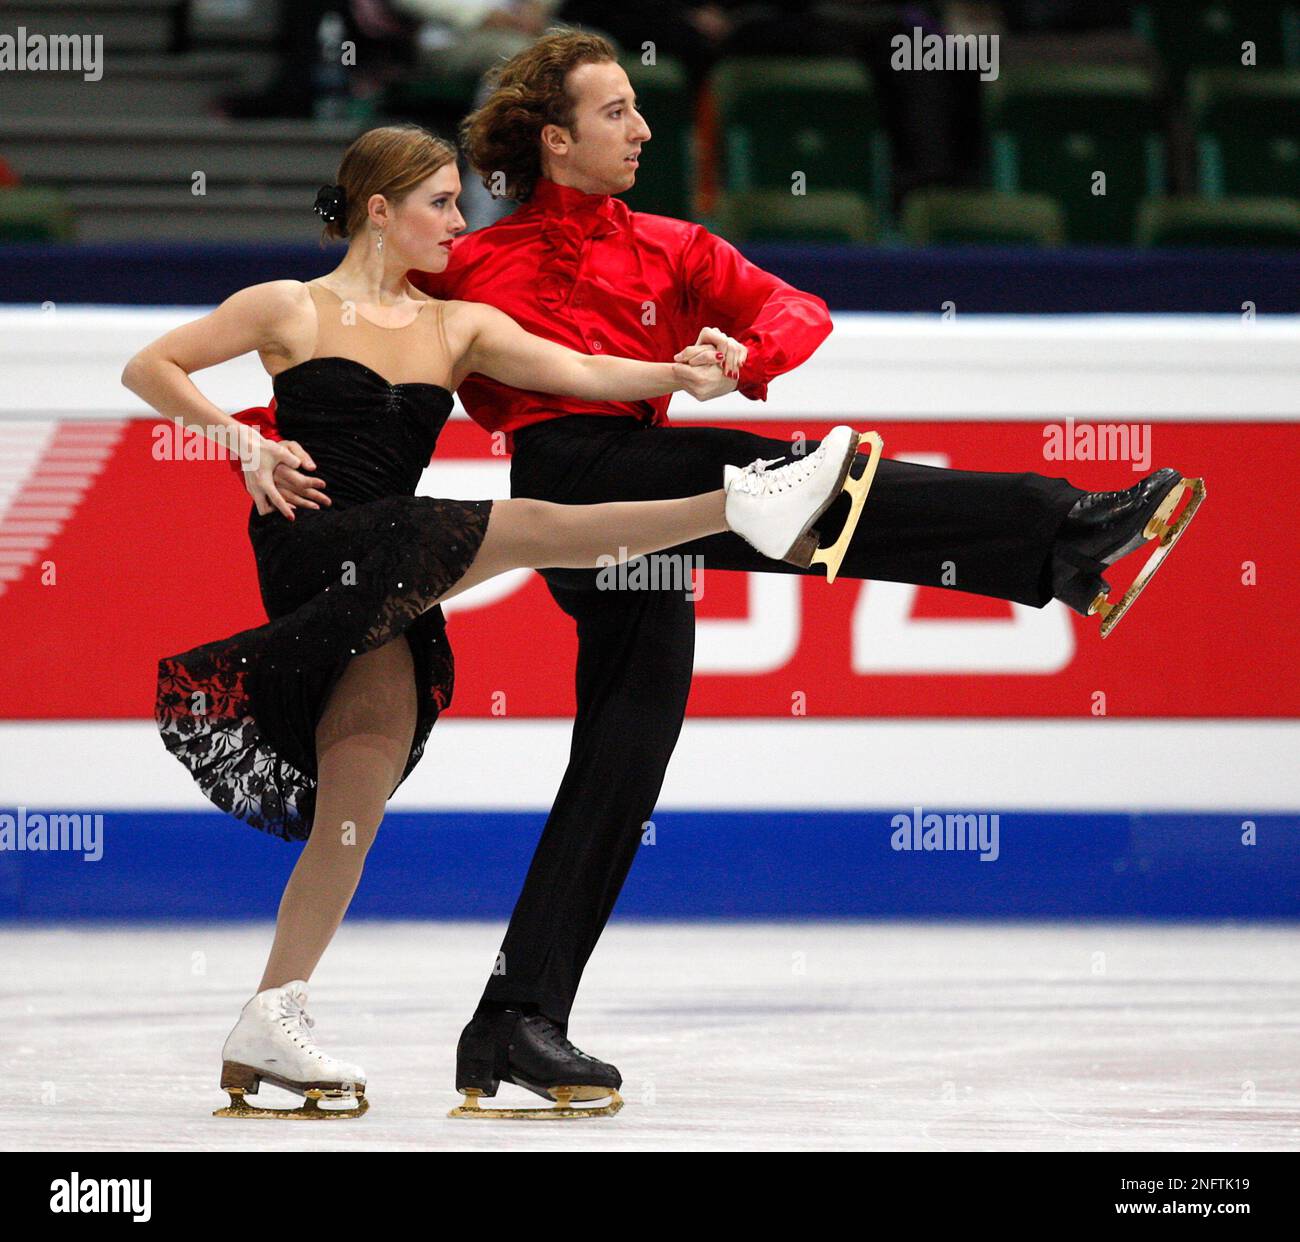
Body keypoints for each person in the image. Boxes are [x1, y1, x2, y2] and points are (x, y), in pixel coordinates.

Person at [245, 31, 1202, 1118]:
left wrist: (751, 356)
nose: (643, 129)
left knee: (624, 758)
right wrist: (259, 441)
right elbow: (342, 347)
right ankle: (1062, 526)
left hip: (650, 514)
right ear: (553, 138)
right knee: (797, 481)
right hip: (578, 484)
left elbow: (796, 310)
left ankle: (514, 1015)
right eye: (616, 112)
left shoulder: (676, 246)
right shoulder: (468, 262)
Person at [122, 123, 870, 1119]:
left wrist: (677, 376)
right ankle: (742, 503)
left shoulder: (459, 325)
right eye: (439, 203)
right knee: (527, 526)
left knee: (355, 797)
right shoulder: (290, 306)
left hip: (393, 571)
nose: (458, 221)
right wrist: (239, 441)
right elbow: (151, 367)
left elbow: (585, 372)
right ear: (378, 209)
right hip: (315, 543)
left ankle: (270, 1014)